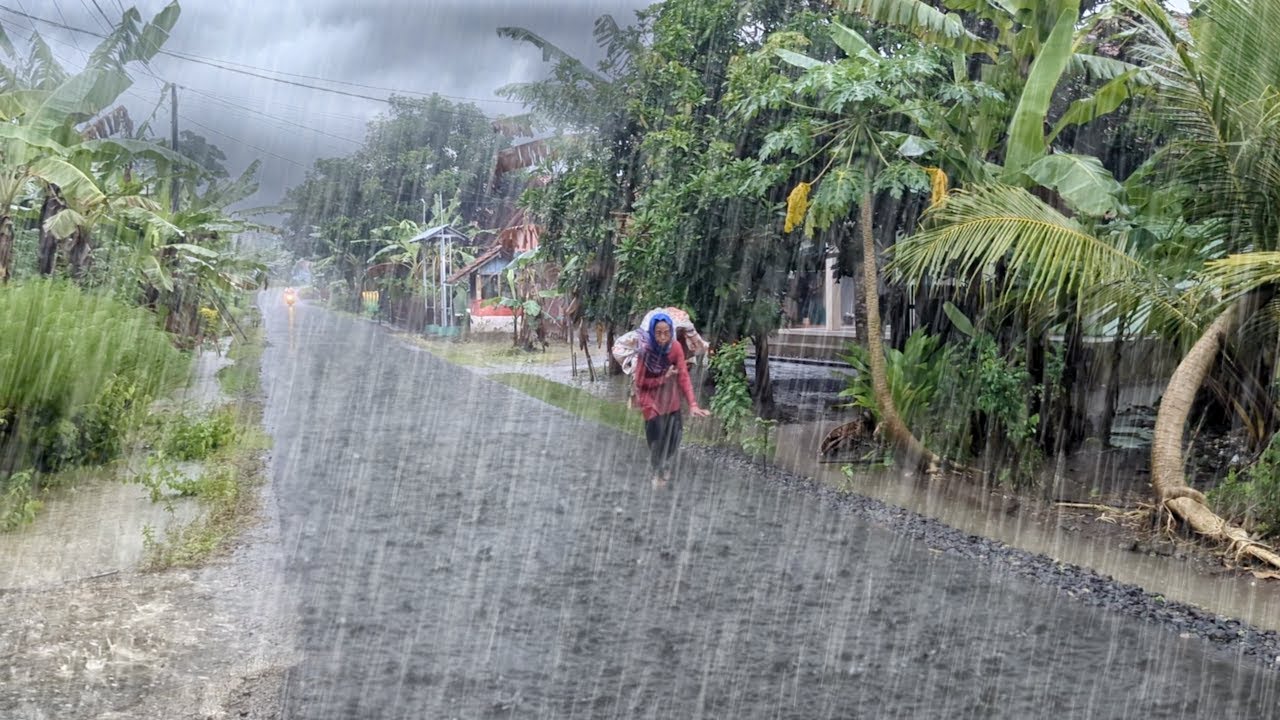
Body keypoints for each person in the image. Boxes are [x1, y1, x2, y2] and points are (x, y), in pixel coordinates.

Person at [633, 312, 710, 487]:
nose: (662, 337)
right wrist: (663, 377)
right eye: (658, 333)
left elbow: (683, 376)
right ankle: (657, 474)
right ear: (652, 332)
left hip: (670, 400)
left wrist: (693, 404)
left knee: (675, 437)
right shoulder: (645, 351)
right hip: (650, 400)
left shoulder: (675, 348)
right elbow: (640, 382)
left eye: (666, 332)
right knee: (656, 439)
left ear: (671, 332)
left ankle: (663, 466)